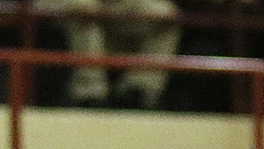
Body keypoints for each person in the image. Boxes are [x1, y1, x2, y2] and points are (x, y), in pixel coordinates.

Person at [43, 0, 178, 107]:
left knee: (164, 13)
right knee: (83, 7)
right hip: (60, 4)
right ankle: (89, 94)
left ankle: (138, 91)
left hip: (110, 4)